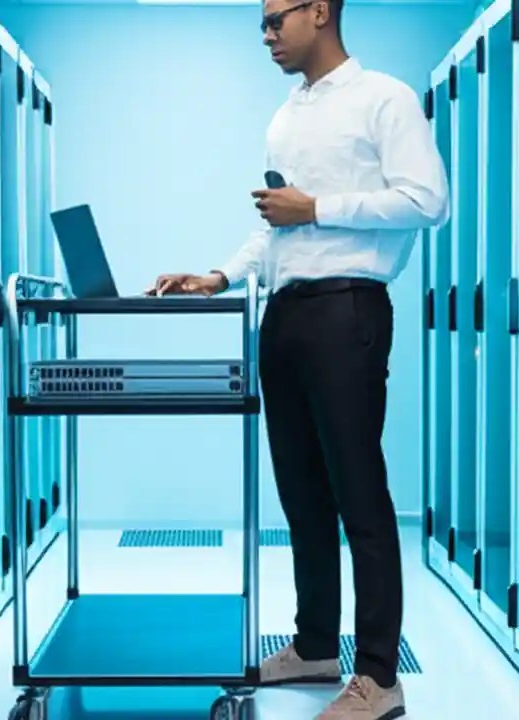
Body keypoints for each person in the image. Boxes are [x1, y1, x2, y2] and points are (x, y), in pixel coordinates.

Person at [150, 0, 447, 718]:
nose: (266, 33)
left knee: (360, 497)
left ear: (320, 10)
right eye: (261, 23)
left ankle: (378, 675)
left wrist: (318, 208)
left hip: (347, 311)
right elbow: (278, 231)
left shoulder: (385, 99)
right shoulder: (287, 115)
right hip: (283, 312)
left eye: (276, 18)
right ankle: (316, 644)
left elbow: (427, 200)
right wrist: (219, 275)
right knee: (301, 496)